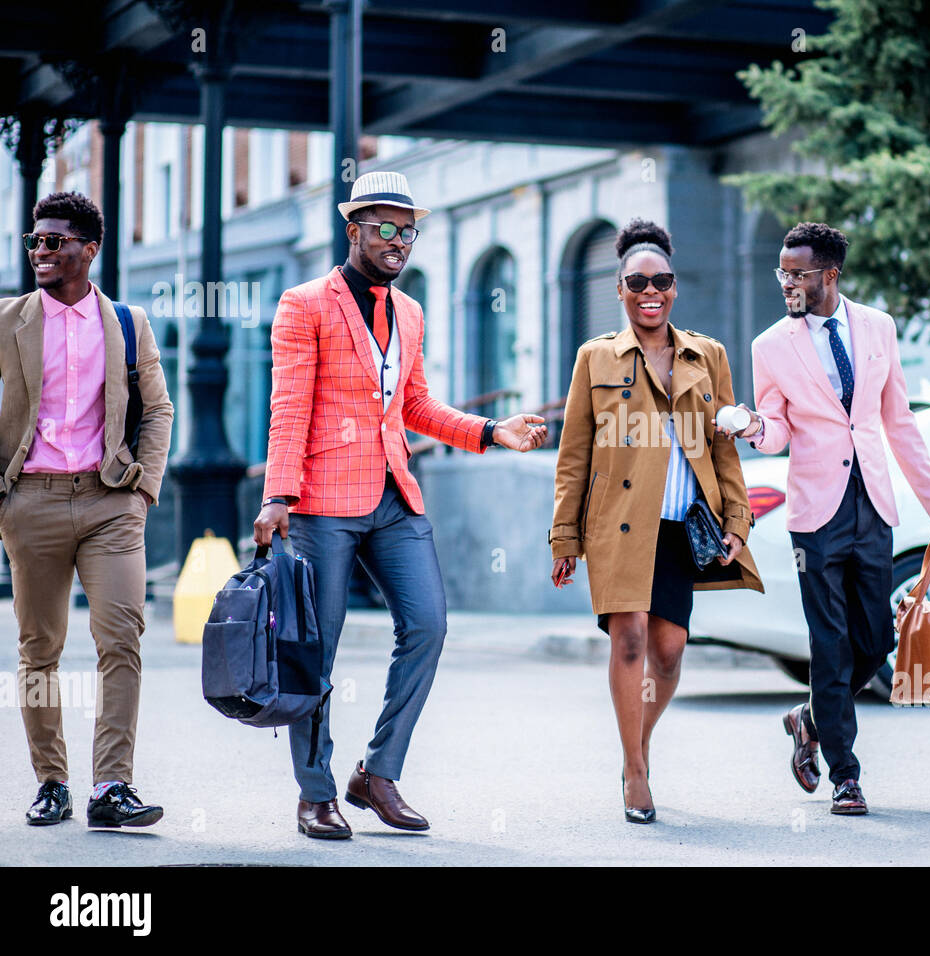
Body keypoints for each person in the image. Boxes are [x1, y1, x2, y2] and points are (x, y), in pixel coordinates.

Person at [253, 170, 547, 840]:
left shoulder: (409, 311)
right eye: (384, 227)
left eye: (408, 229)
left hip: (394, 497)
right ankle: (315, 792)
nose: (398, 240)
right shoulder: (306, 304)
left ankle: (378, 773)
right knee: (315, 651)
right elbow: (289, 407)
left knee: (428, 625)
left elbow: (412, 405)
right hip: (324, 502)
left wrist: (488, 431)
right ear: (352, 229)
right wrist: (279, 495)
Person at [721, 222, 930, 816]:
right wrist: (751, 426)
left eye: (797, 272)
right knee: (828, 644)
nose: (787, 283)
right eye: (782, 272)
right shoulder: (770, 344)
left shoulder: (877, 327)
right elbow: (777, 432)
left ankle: (810, 717)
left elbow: (897, 419)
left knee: (876, 643)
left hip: (873, 503)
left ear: (830, 274)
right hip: (816, 513)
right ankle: (845, 776)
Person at [550, 218, 763, 823]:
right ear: (619, 287)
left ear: (674, 286)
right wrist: (565, 537)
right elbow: (574, 456)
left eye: (662, 280)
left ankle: (635, 745)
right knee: (632, 639)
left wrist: (738, 520)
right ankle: (636, 774)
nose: (652, 291)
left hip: (679, 525)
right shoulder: (595, 358)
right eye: (638, 281)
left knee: (669, 652)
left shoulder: (708, 354)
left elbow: (723, 445)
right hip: (616, 523)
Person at [0, 191, 173, 827]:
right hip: (32, 503)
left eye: (54, 242)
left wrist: (143, 491)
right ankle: (51, 780)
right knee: (39, 648)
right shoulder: (10, 319)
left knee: (121, 639)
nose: (40, 252)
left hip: (110, 504)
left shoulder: (127, 323)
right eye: (35, 242)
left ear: (88, 250)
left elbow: (158, 408)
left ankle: (111, 787)